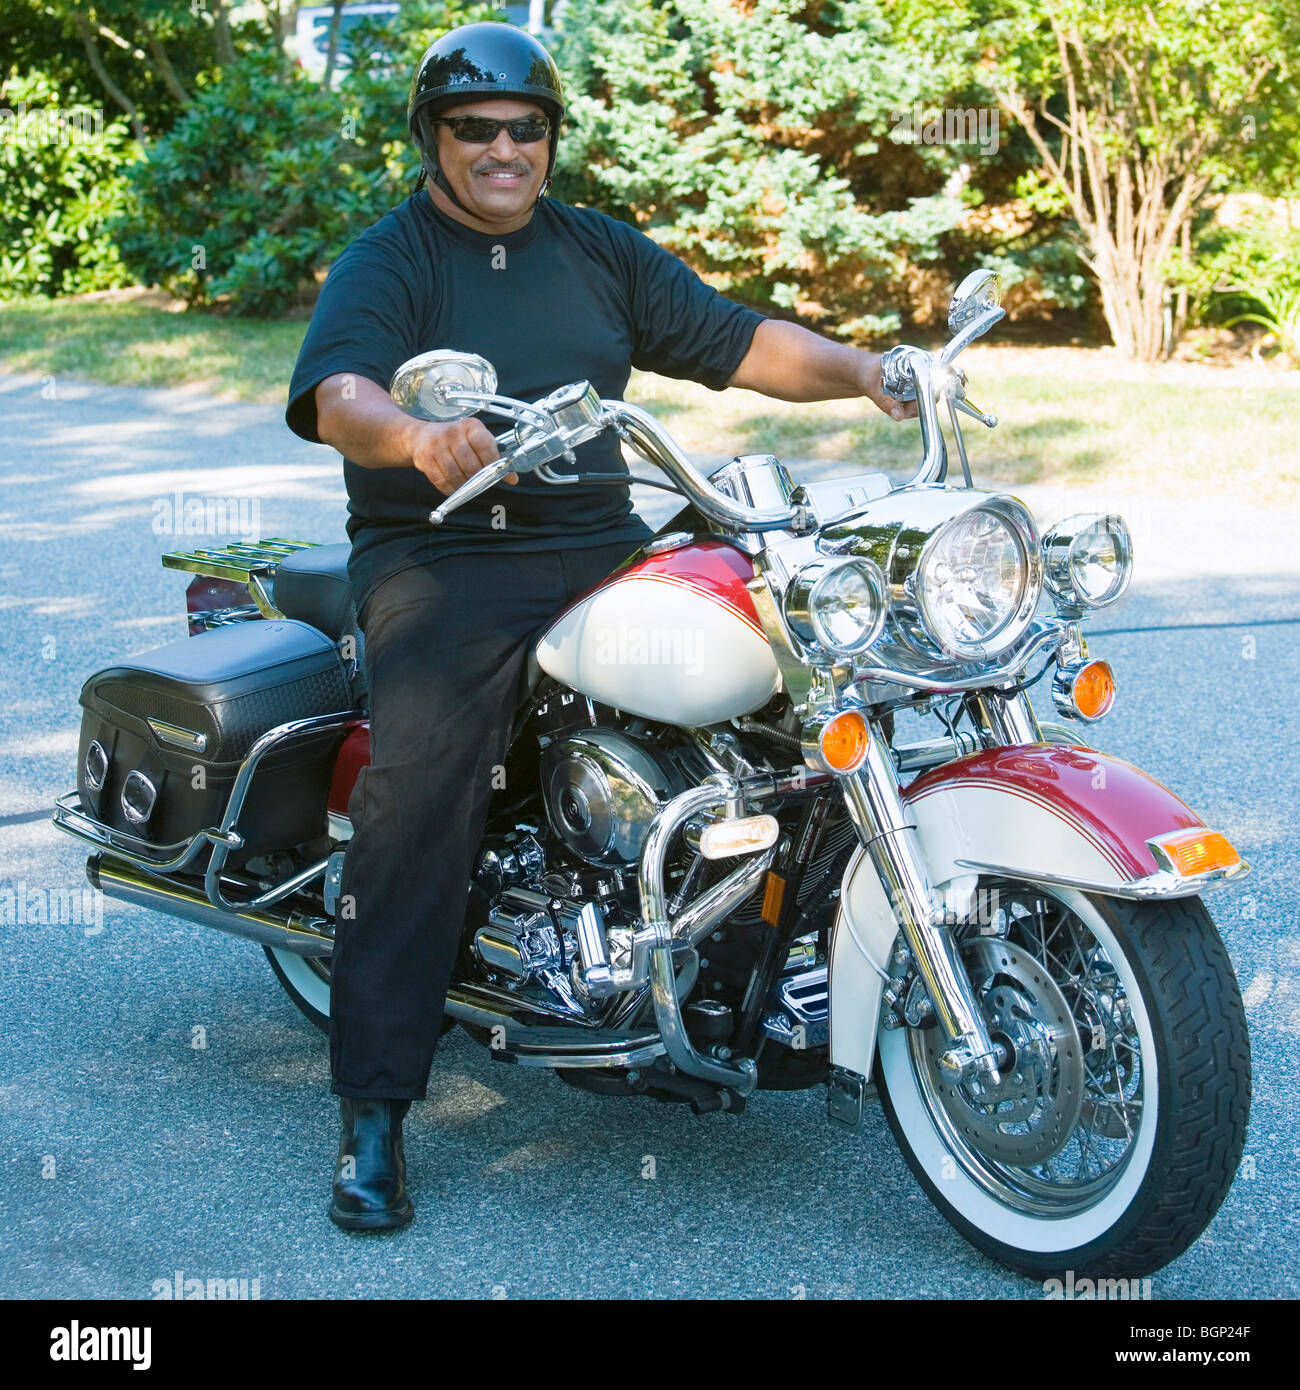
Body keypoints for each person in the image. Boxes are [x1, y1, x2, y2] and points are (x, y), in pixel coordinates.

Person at [285, 20, 915, 1232]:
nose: (503, 148)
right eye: (475, 128)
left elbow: (736, 340)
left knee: (796, 673)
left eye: (527, 127)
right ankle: (372, 1108)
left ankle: (743, 956)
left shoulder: (594, 251)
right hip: (446, 551)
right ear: (433, 138)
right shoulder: (393, 257)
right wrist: (417, 440)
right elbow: (342, 393)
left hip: (597, 537)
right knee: (420, 791)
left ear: (551, 138)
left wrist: (871, 371)